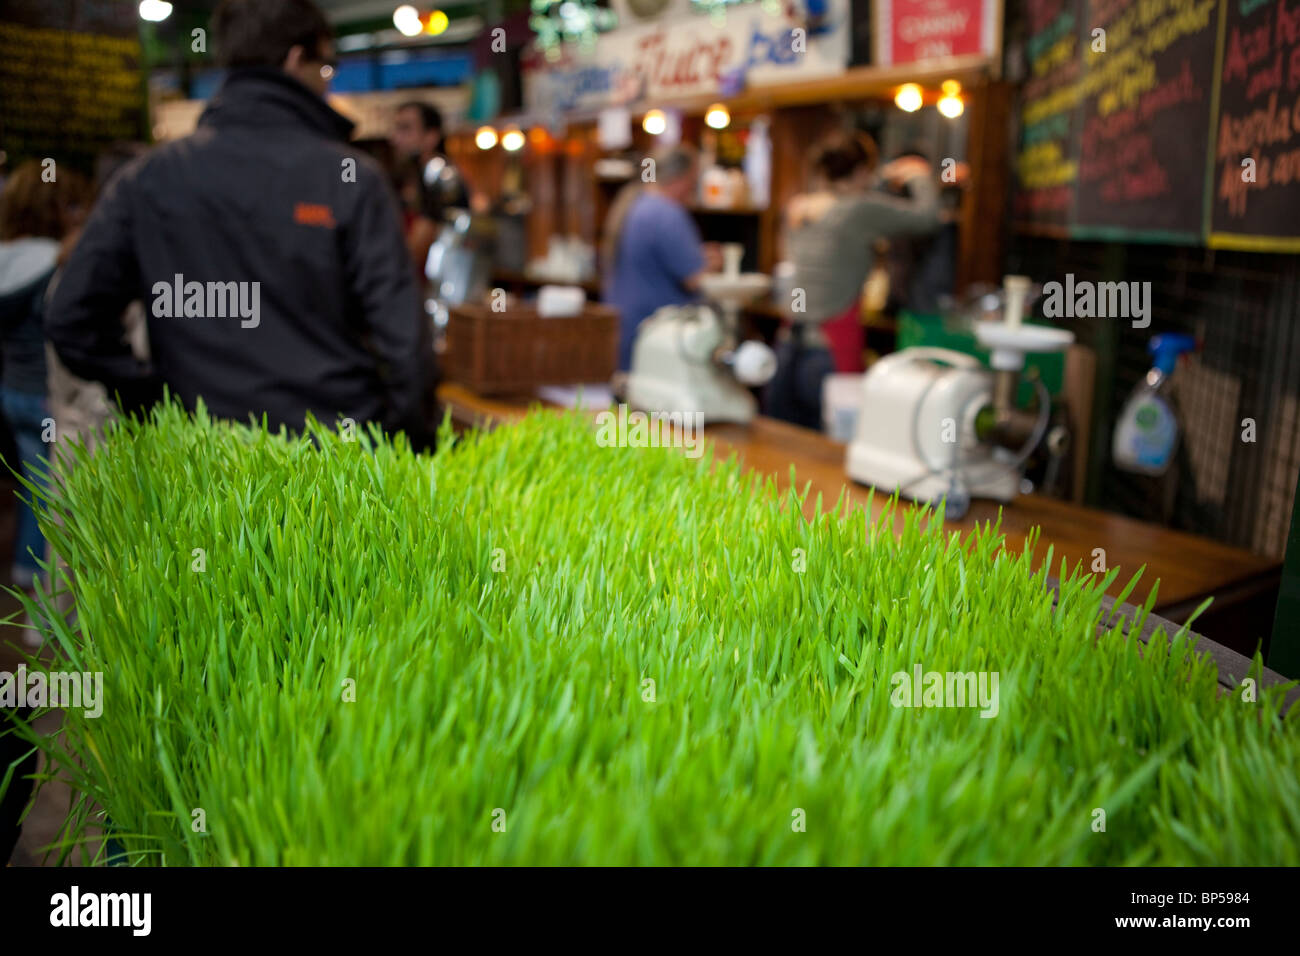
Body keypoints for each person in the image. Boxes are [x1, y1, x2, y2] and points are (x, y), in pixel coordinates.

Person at [45, 0, 434, 449]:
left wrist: (151, 403)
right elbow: (406, 347)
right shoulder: (351, 178)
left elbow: (71, 317)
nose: (327, 84)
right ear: (295, 59)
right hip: (334, 461)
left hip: (200, 463)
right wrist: (407, 444)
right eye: (326, 67)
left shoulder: (150, 178)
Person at [767, 130, 939, 429]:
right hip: (829, 349)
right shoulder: (860, 209)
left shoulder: (799, 206)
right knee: (830, 453)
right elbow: (926, 218)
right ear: (861, 171)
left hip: (787, 343)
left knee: (782, 442)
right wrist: (917, 176)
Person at [603, 145, 721, 372]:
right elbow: (694, 278)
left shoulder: (635, 205)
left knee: (630, 401)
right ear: (681, 178)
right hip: (657, 332)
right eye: (693, 180)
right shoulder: (668, 214)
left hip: (626, 325)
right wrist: (714, 263)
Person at [389, 101, 469, 272]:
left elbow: (414, 251)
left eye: (405, 129)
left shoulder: (440, 175)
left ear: (431, 136)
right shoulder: (409, 178)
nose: (395, 139)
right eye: (396, 129)